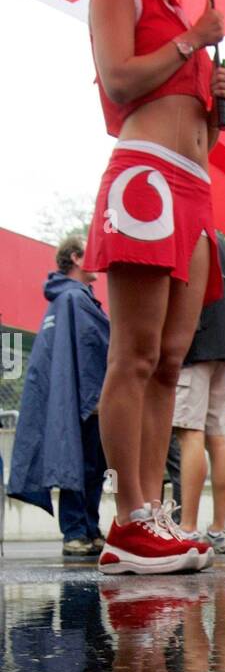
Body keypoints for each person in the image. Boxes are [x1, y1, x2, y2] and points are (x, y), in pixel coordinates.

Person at [83, 0, 225, 574]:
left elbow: (195, 120)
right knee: (135, 354)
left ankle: (150, 512)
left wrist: (219, 100)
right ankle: (129, 516)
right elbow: (118, 81)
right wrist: (191, 41)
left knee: (171, 363)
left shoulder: (188, 12)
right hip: (145, 177)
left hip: (197, 189)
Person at [8, 234, 109, 556]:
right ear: (78, 259)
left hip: (71, 397)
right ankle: (77, 531)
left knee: (85, 464)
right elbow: (98, 347)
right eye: (90, 253)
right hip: (84, 398)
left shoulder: (63, 300)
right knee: (81, 464)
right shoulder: (75, 300)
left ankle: (87, 529)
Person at [171, 235, 225, 555]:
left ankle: (187, 528)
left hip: (195, 345)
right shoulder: (224, 247)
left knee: (190, 433)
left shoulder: (188, 239)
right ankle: (219, 528)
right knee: (216, 435)